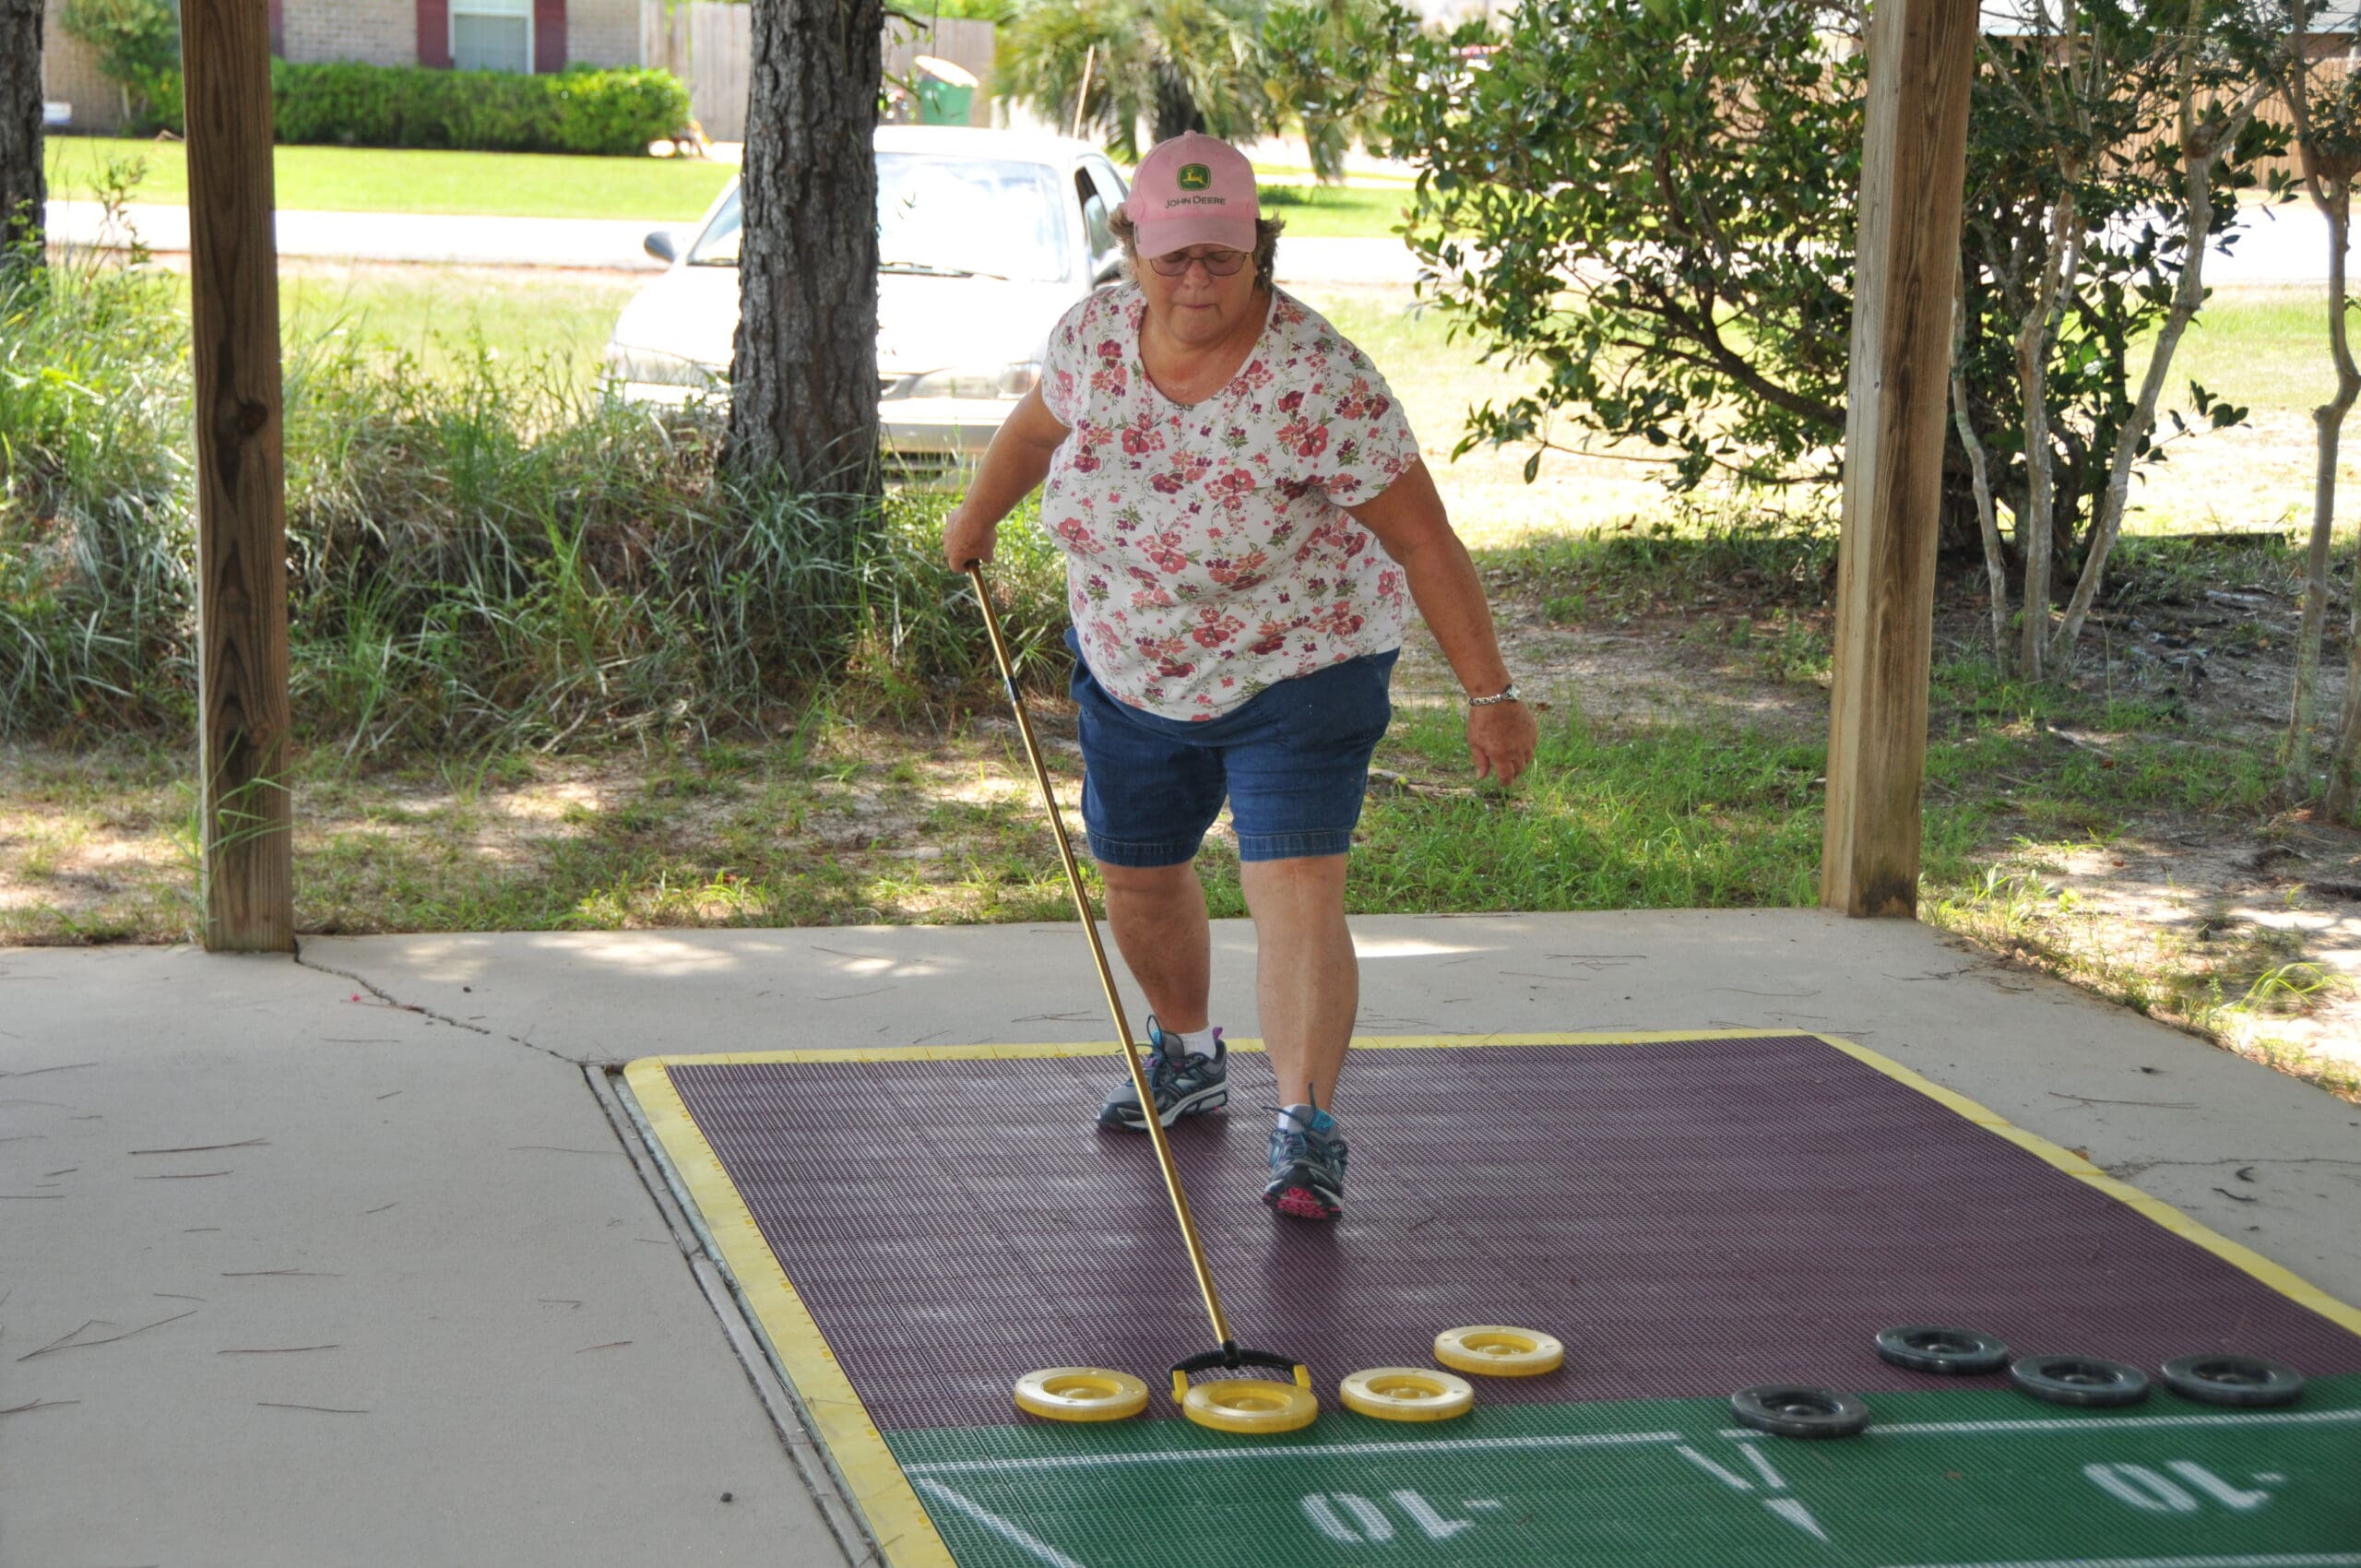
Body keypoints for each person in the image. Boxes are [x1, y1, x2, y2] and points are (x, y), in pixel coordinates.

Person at [943, 132, 1536, 1221]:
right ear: (1131, 245)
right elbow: (1033, 435)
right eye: (1173, 257)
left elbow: (1425, 540)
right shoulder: (1090, 338)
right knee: (1137, 870)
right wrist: (973, 519)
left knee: (1295, 887)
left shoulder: (1319, 380)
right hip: (1130, 658)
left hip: (1300, 662)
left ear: (1260, 250)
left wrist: (1490, 695)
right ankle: (1186, 1053)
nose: (1196, 280)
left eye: (1221, 255)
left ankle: (1305, 1125)